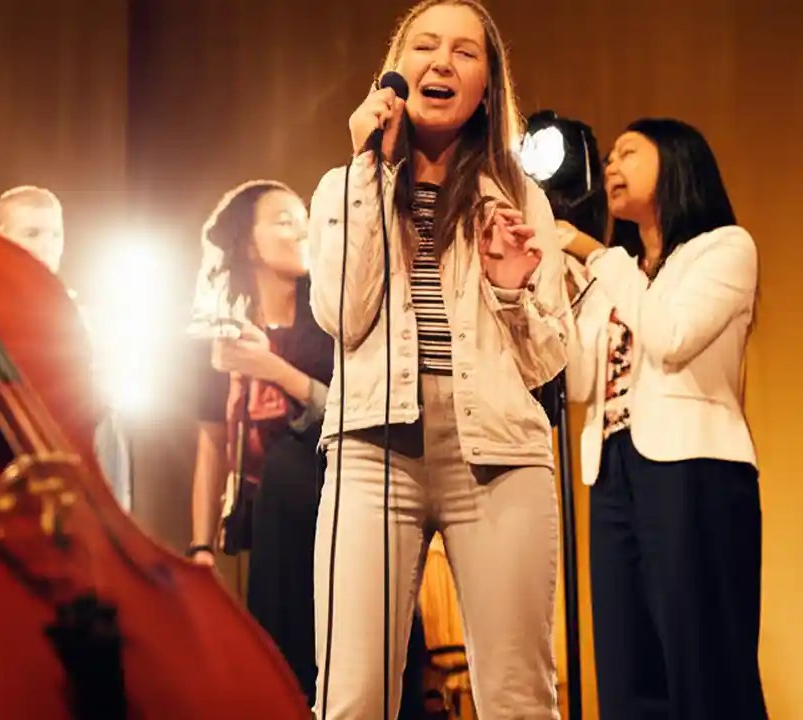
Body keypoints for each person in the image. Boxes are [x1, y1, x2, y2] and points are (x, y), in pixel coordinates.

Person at [305, 1, 574, 717]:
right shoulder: (343, 187)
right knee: (351, 697)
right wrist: (370, 168)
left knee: (519, 697)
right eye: (425, 46)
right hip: (372, 450)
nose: (442, 62)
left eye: (465, 52)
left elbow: (550, 361)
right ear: (396, 70)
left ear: (488, 87)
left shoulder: (520, 197)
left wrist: (509, 289)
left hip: (499, 454)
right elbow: (340, 313)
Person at [560, 118, 766, 720]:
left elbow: (671, 336)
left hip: (693, 472)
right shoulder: (612, 272)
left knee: (704, 664)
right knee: (626, 673)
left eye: (628, 153)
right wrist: (553, 281)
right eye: (609, 159)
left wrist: (596, 255)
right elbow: (577, 383)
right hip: (613, 470)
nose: (610, 167)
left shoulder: (725, 248)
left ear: (675, 161)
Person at [186, 179, 333, 705]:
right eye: (284, 219)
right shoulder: (223, 333)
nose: (302, 229)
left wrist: (270, 367)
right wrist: (201, 547)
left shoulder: (333, 317)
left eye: (304, 217)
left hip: (336, 507)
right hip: (271, 529)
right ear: (248, 243)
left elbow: (349, 413)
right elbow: (211, 441)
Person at [0, 185, 132, 510]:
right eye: (32, 233)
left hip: (83, 443)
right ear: (0, 236)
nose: (47, 245)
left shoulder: (80, 314)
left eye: (56, 235)